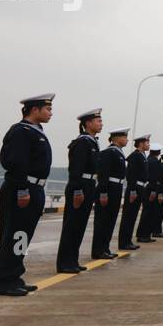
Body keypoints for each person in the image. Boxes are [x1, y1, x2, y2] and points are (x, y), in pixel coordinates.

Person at [0, 92, 53, 296]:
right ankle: (4, 279)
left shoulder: (36, 131)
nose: (51, 113)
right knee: (13, 235)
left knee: (22, 236)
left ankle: (15, 275)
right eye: (48, 109)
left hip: (35, 188)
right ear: (34, 110)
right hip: (22, 187)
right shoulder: (21, 131)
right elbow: (16, 163)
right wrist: (22, 190)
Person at [56, 109, 102, 273]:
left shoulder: (91, 142)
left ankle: (72, 260)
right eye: (98, 121)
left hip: (89, 184)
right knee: (72, 225)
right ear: (88, 123)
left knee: (79, 226)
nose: (101, 124)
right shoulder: (82, 142)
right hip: (80, 185)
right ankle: (64, 263)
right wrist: (77, 191)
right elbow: (75, 169)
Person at [91, 124, 129, 260]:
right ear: (116, 138)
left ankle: (105, 248)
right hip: (109, 188)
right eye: (124, 137)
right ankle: (98, 250)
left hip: (117, 188)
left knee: (110, 220)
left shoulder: (118, 152)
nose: (127, 140)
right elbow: (103, 175)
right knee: (103, 220)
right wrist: (103, 193)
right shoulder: (109, 152)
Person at [119, 134, 150, 251]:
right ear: (141, 144)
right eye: (147, 143)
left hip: (140, 188)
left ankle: (128, 241)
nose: (148, 145)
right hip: (135, 188)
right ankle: (124, 242)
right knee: (128, 216)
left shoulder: (142, 156)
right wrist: (132, 191)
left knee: (132, 216)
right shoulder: (135, 156)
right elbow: (131, 175)